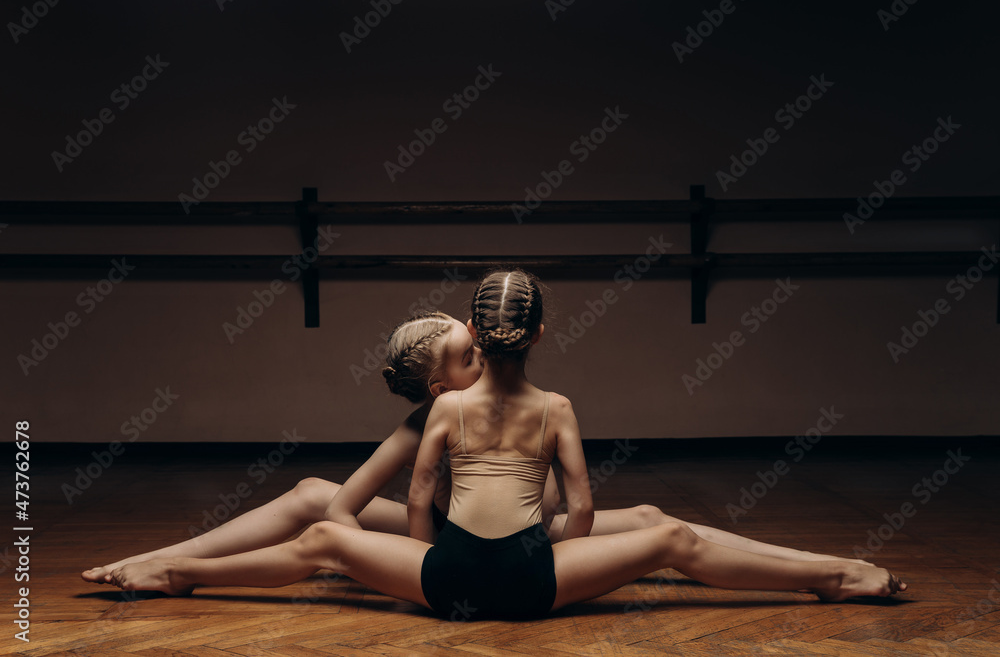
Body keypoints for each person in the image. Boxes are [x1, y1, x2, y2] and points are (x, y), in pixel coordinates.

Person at [105, 269, 906, 617]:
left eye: (474, 338)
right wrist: (406, 566)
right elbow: (352, 514)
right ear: (440, 385)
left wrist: (432, 554)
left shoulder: (507, 403)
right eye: (465, 352)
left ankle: (820, 568)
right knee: (319, 502)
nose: (479, 349)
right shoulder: (436, 417)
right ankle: (172, 559)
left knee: (661, 518)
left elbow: (565, 504)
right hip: (484, 545)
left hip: (519, 535)